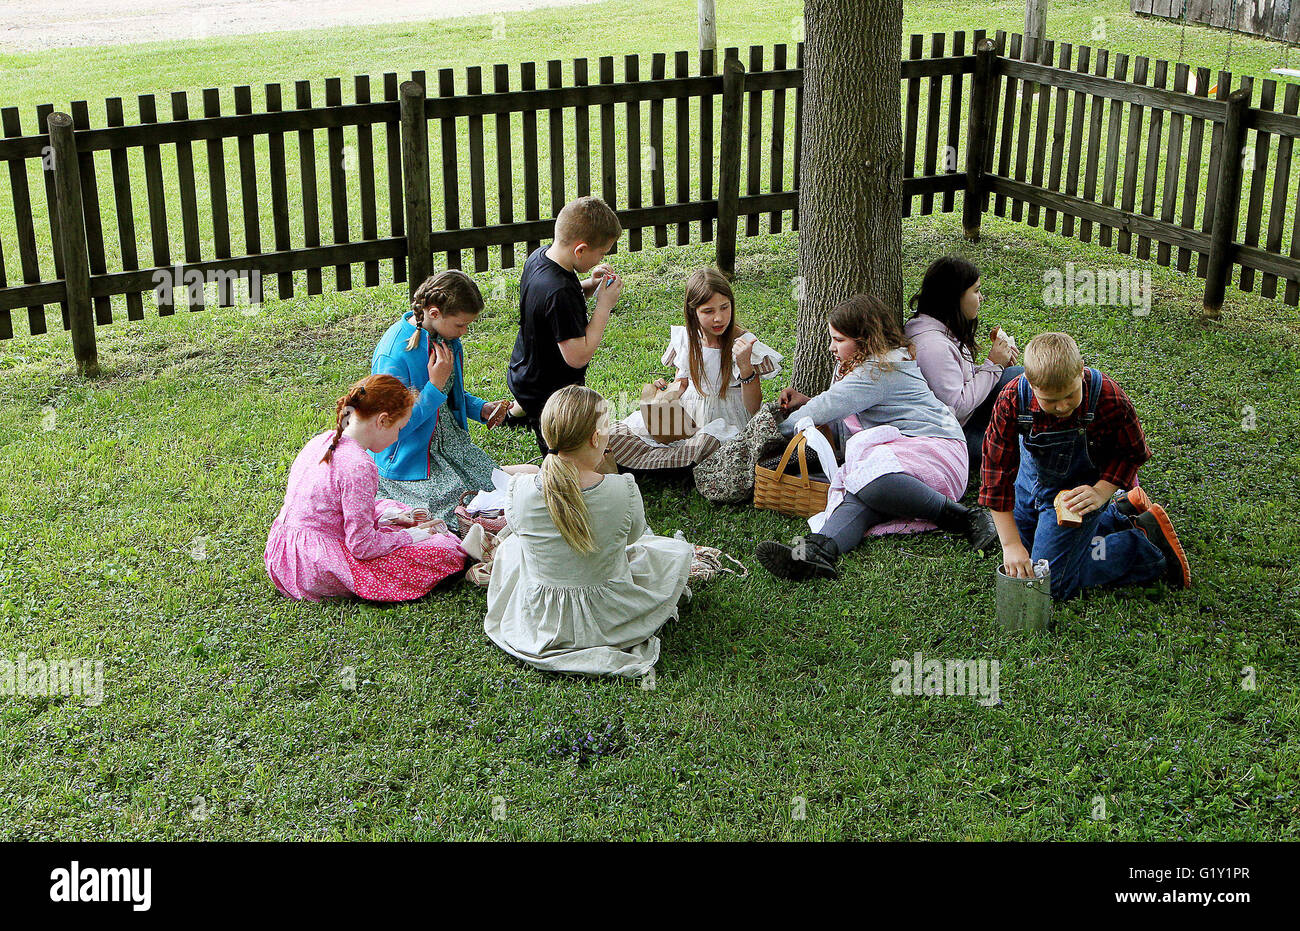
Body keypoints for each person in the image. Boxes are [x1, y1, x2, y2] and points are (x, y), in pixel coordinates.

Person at [755, 295, 999, 581]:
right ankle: (817, 552)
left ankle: (967, 517)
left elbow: (822, 410)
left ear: (866, 340)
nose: (832, 348)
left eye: (839, 340)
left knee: (867, 479)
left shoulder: (877, 371)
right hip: (902, 451)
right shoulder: (869, 365)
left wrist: (771, 431)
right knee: (860, 493)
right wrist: (809, 402)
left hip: (935, 446)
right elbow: (843, 406)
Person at [484, 386, 694, 677]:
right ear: (596, 438)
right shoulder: (623, 490)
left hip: (543, 619)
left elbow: (520, 531)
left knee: (511, 548)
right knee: (672, 553)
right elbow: (634, 539)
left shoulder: (519, 490)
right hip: (608, 615)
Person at [981, 332, 1191, 600]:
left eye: (1070, 395)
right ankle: (1118, 517)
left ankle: (1144, 545)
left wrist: (1102, 491)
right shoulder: (1012, 399)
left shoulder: (1107, 396)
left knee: (1047, 580)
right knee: (1025, 555)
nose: (1062, 407)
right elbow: (995, 473)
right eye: (1050, 401)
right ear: (1029, 383)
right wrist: (1010, 545)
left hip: (1079, 494)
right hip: (1028, 487)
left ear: (1081, 372)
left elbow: (1132, 452)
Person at [265, 374, 467, 602]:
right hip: (315, 565)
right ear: (382, 421)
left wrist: (393, 519)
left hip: (284, 554)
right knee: (445, 550)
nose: (397, 437)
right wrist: (411, 536)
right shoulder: (358, 465)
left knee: (392, 506)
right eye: (399, 428)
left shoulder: (323, 441)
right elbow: (362, 547)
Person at [370, 270, 520, 523]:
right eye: (460, 324)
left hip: (451, 448)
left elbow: (450, 396)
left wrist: (480, 409)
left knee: (496, 499)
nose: (464, 332)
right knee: (454, 517)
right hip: (409, 462)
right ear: (434, 312)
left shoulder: (447, 339)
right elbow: (388, 429)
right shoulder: (394, 354)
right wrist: (435, 386)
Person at [607, 267, 782, 471]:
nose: (719, 318)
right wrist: (666, 393)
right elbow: (681, 384)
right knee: (616, 435)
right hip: (690, 417)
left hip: (726, 419)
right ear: (693, 311)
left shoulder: (743, 343)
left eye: (725, 308)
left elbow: (753, 407)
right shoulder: (686, 340)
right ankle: (679, 462)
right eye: (708, 311)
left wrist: (745, 367)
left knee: (710, 441)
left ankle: (677, 463)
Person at [506, 196, 624, 455]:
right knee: (564, 452)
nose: (601, 258)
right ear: (580, 250)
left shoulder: (541, 258)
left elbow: (553, 306)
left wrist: (590, 286)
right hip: (549, 394)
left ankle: (516, 413)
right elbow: (578, 356)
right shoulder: (559, 292)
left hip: (526, 369)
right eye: (601, 253)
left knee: (533, 405)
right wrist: (604, 305)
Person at [904, 256, 1022, 469]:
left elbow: (957, 379)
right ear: (955, 296)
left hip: (967, 418)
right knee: (1015, 454)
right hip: (955, 434)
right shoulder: (933, 346)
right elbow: (957, 406)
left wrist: (997, 365)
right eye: (976, 291)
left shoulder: (940, 327)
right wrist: (993, 365)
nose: (981, 298)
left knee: (1021, 378)